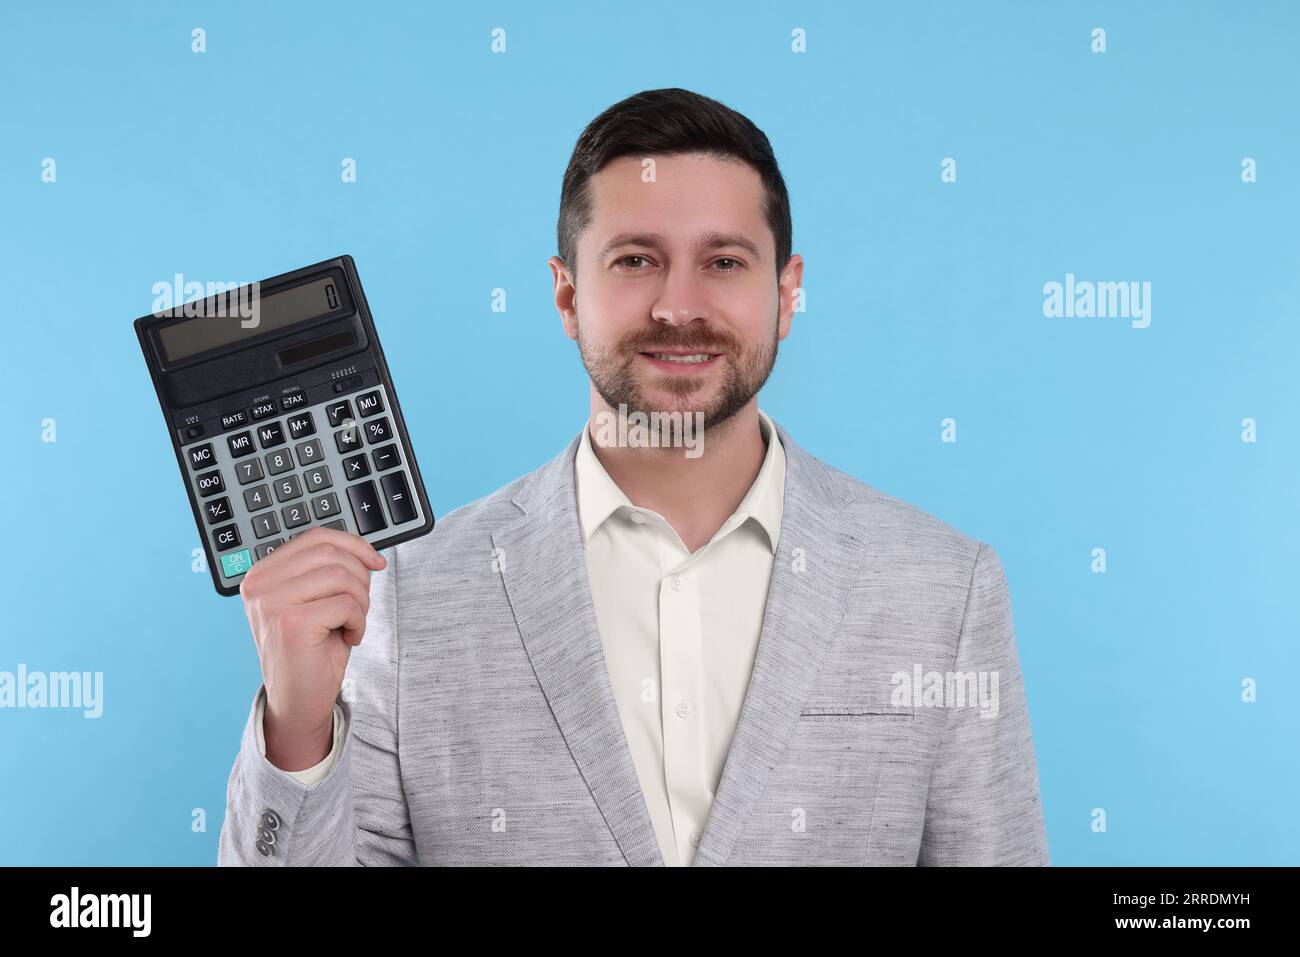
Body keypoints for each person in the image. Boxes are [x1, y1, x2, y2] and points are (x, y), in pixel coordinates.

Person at [217, 87, 1048, 867]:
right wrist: (296, 730)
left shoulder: (946, 591)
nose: (678, 307)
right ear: (566, 294)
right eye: (635, 260)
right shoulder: (405, 594)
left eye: (723, 262)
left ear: (787, 294)